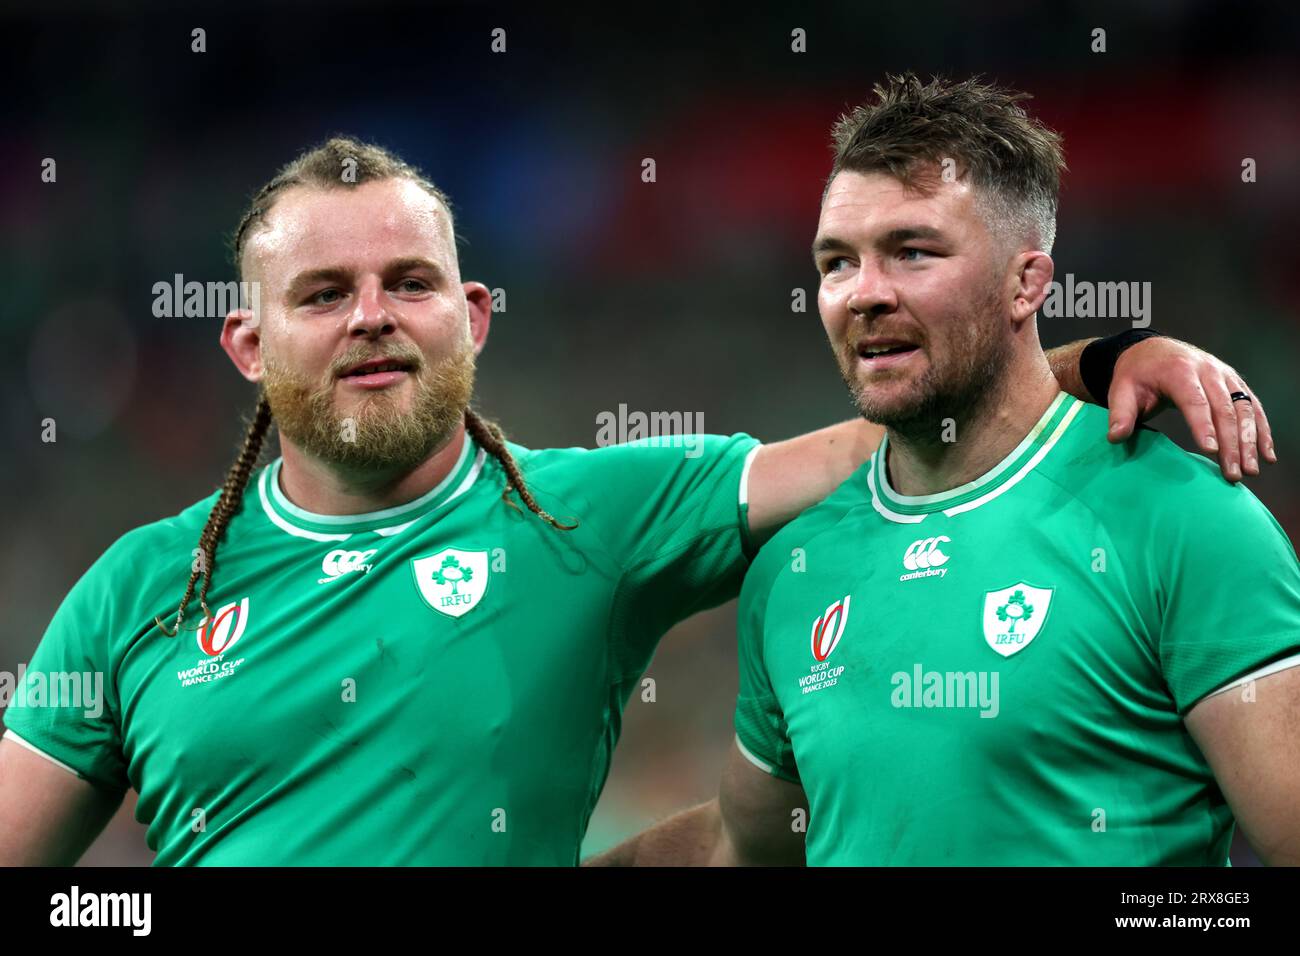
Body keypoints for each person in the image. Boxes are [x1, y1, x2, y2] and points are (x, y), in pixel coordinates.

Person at [0, 135, 1270, 866]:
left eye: (410, 280)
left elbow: (891, 427)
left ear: (475, 315)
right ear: (245, 341)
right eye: (323, 292)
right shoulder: (137, 586)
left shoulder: (597, 517)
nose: (372, 316)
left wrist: (1093, 358)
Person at [588, 75, 1298, 867]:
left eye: (912, 252)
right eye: (836, 263)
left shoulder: (1180, 518)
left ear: (1027, 282)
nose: (863, 294)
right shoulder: (796, 565)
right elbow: (740, 846)